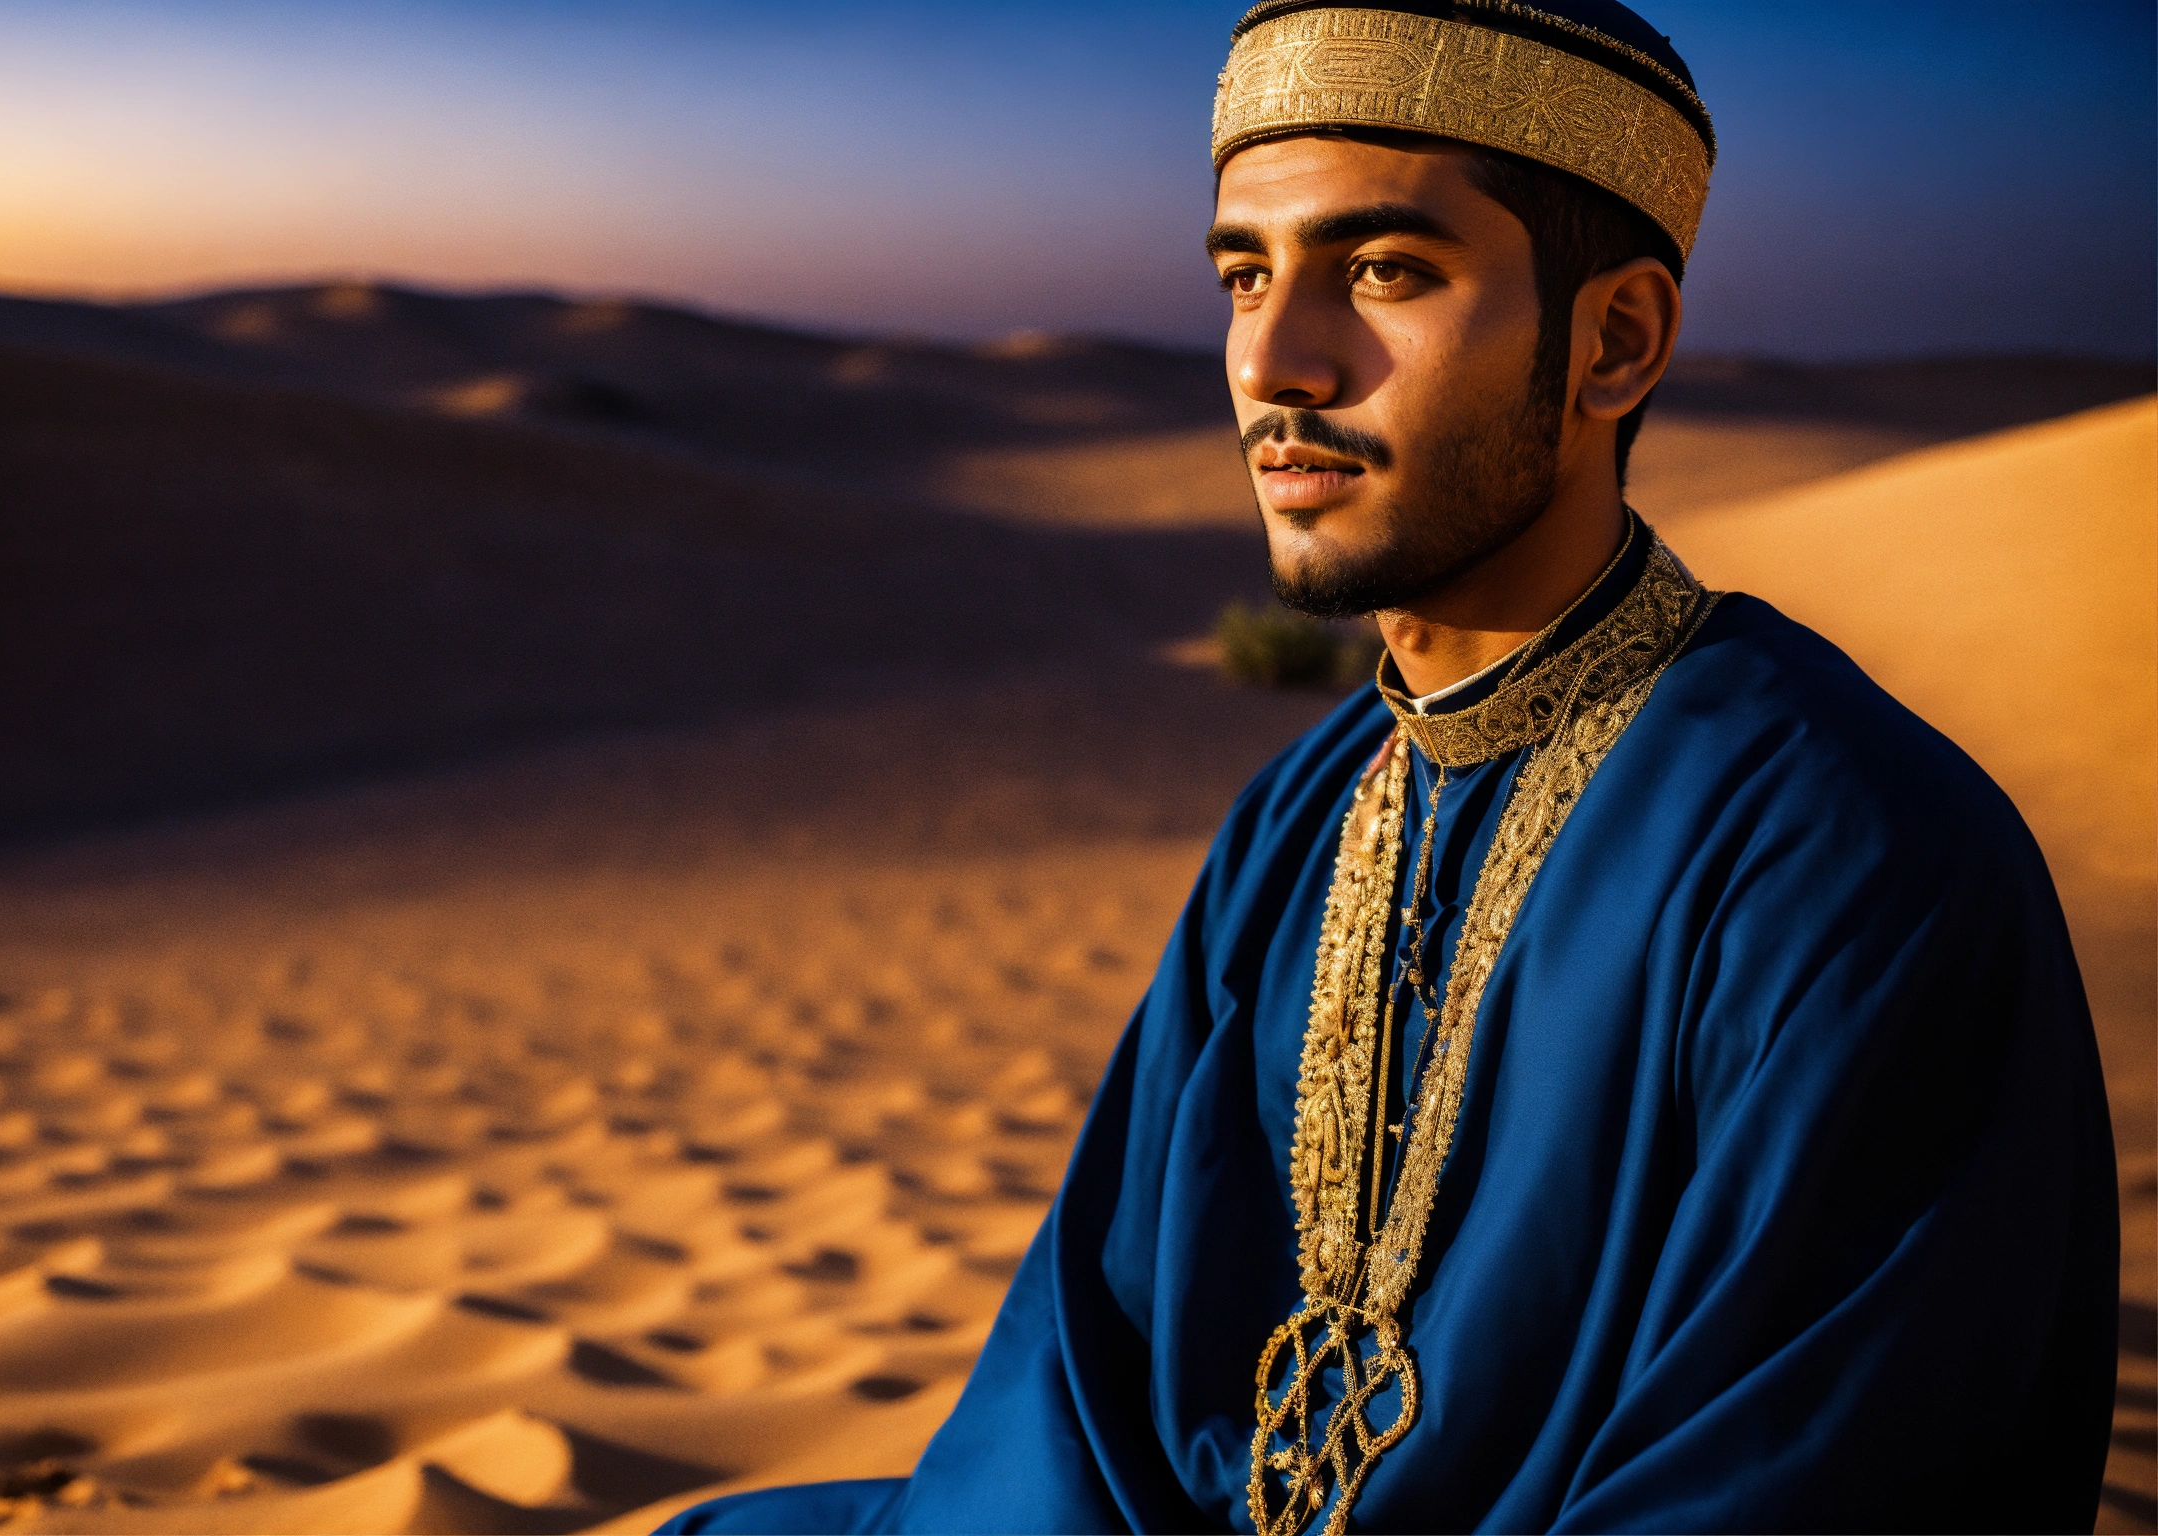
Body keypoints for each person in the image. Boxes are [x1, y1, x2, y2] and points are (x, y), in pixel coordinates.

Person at [663, 1, 2119, 1530]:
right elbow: (1082, 1391)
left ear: (1614, 343)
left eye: (1384, 272)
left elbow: (1807, 1477)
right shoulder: (1298, 816)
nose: (1274, 362)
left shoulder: (1851, 852)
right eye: (1245, 276)